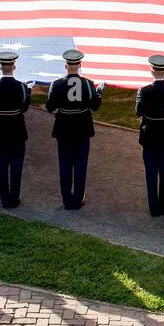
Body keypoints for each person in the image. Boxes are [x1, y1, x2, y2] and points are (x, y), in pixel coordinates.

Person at [45, 49, 103, 209]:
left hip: (64, 127)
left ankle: (67, 200)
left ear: (66, 65)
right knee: (80, 163)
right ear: (80, 64)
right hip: (82, 126)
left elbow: (50, 107)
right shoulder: (88, 83)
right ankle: (78, 199)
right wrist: (99, 92)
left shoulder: (56, 84)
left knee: (65, 164)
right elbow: (95, 106)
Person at [135, 54, 164, 217]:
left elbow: (138, 111)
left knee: (150, 171)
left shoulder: (144, 90)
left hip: (150, 135)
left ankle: (154, 207)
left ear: (152, 70)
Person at [0, 49, 33, 208]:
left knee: (1, 166)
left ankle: (4, 199)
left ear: (0, 67)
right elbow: (25, 107)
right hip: (17, 130)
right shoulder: (21, 86)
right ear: (14, 66)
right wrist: (30, 91)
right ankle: (15, 198)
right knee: (16, 166)